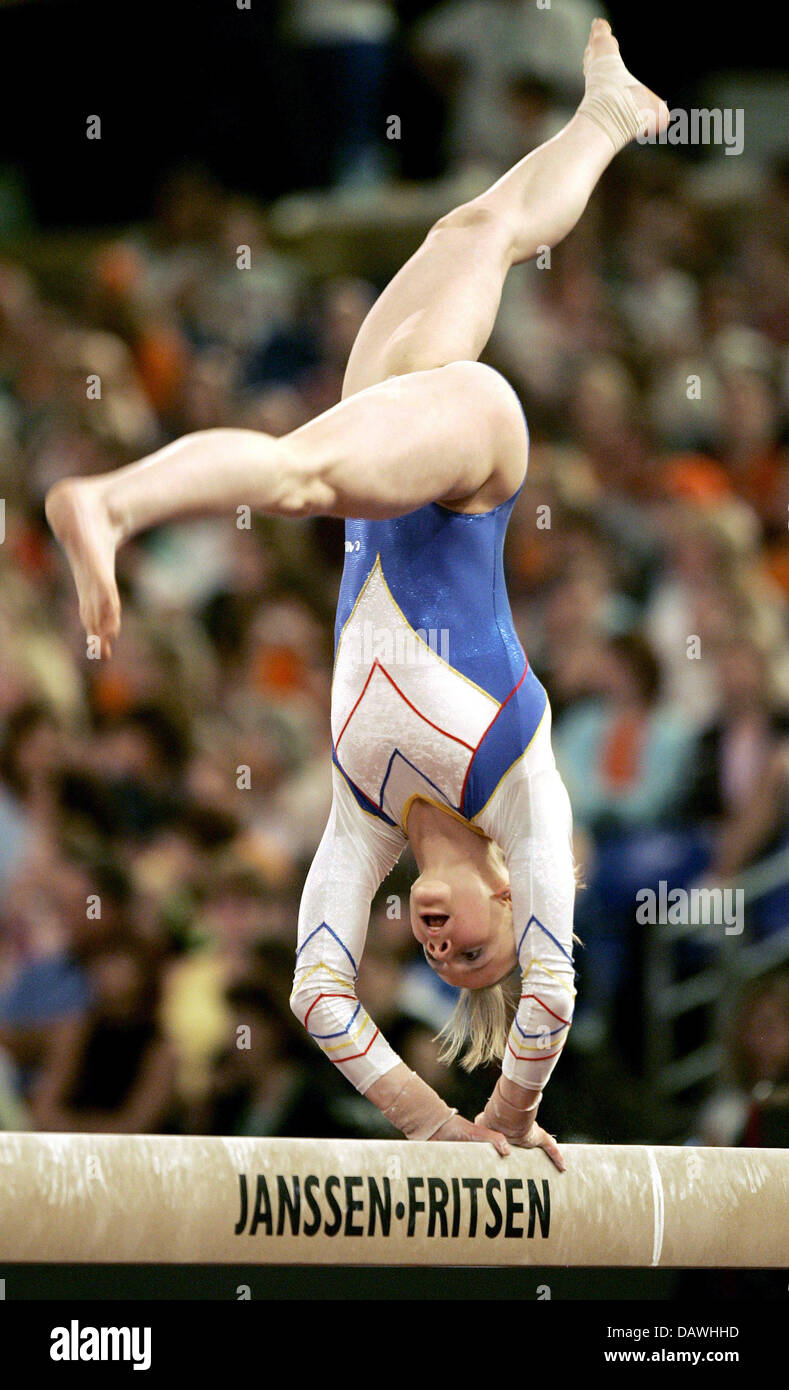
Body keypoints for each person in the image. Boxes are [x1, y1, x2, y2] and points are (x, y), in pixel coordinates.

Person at [46, 20, 669, 1168]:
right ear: (507, 893)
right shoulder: (523, 790)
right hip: (473, 456)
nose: (444, 951)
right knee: (298, 476)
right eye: (481, 952)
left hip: (394, 440)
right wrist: (509, 1114)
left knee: (478, 228)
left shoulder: (362, 817)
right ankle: (113, 505)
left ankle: (607, 116)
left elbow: (317, 993)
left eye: (441, 968)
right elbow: (558, 996)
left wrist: (427, 1120)